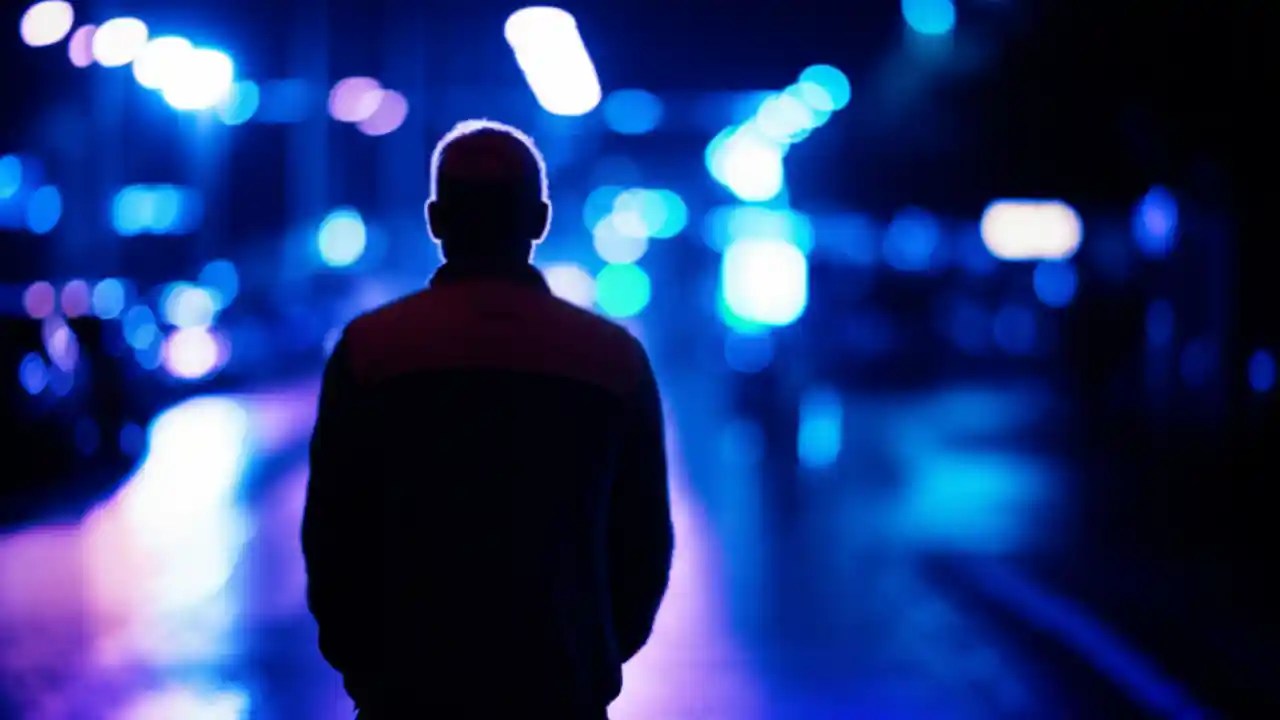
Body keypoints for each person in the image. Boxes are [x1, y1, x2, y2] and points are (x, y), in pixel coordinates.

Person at [302, 119, 674, 719]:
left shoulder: (370, 351)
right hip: (558, 691)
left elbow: (333, 535)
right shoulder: (611, 359)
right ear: (540, 220)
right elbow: (642, 545)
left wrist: (367, 664)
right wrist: (587, 652)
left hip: (407, 692)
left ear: (436, 220)